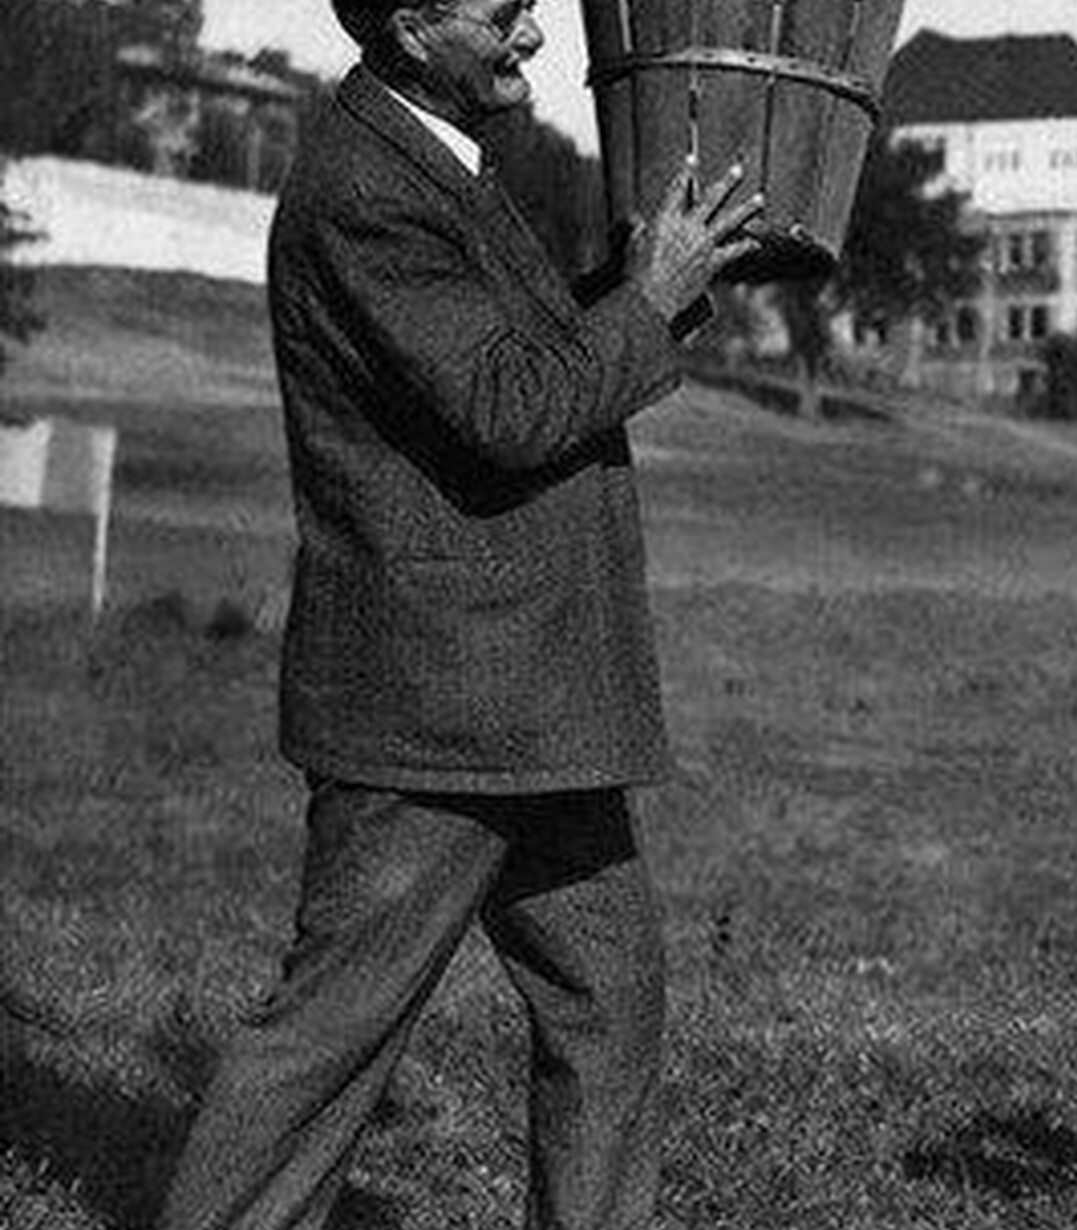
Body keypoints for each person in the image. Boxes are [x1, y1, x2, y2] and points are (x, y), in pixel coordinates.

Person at [156, 0, 763, 1223]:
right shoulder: (362, 194)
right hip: (435, 707)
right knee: (334, 1032)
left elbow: (513, 359)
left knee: (609, 1000)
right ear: (410, 25)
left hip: (523, 698)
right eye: (502, 14)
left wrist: (657, 280)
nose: (530, 36)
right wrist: (646, 303)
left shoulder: (437, 161)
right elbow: (508, 408)